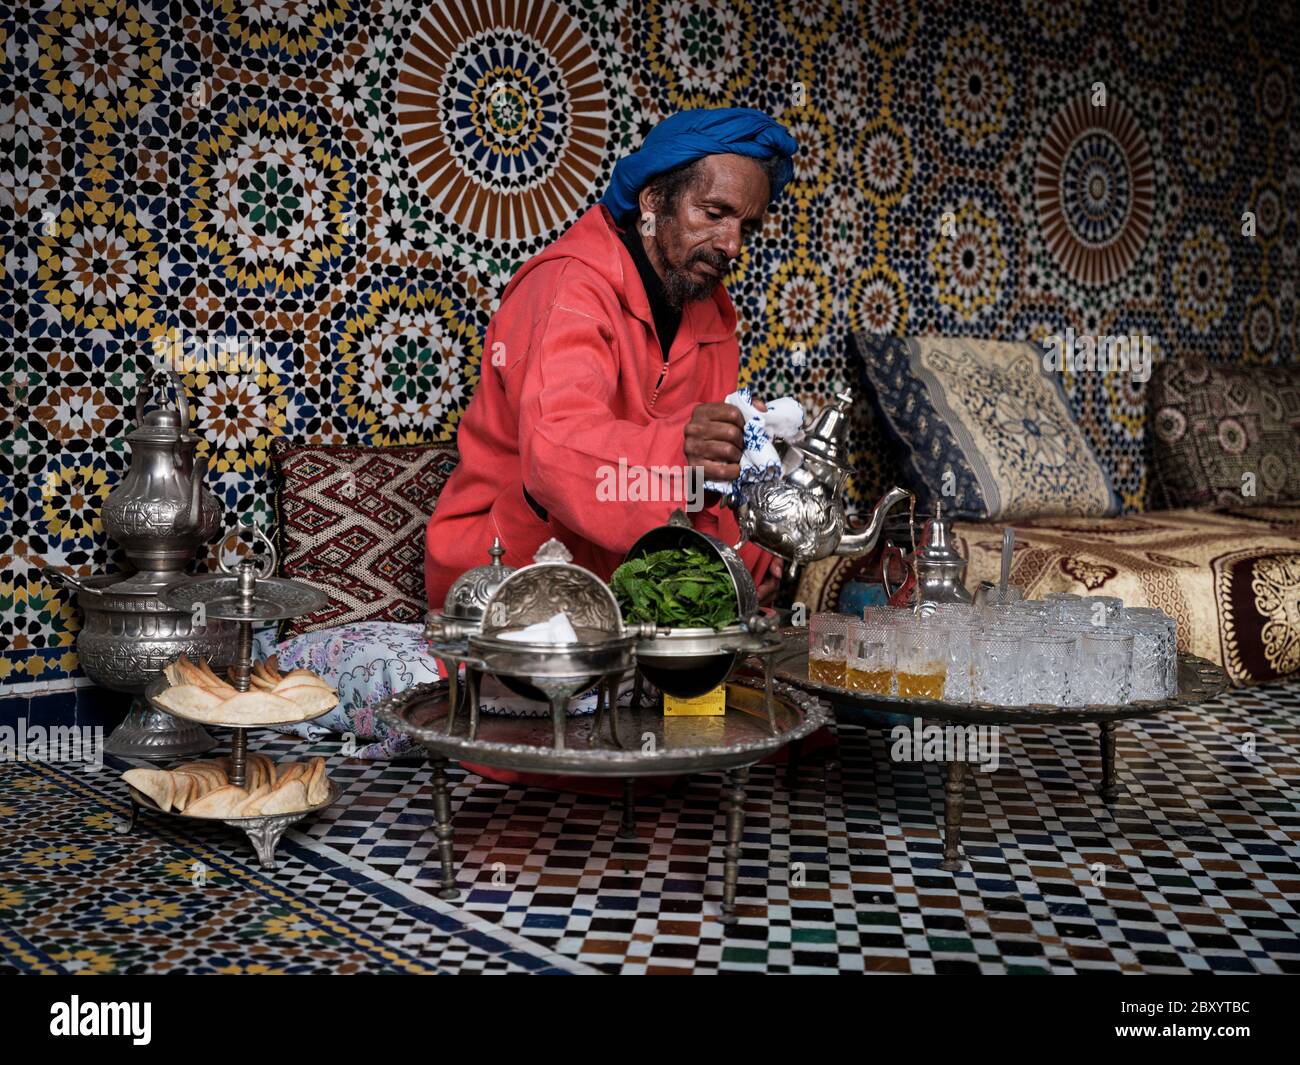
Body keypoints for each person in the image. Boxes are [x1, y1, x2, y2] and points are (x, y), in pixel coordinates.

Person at [425, 107, 800, 611]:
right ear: (652, 200)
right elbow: (555, 453)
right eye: (712, 214)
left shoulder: (710, 318)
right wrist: (680, 451)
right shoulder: (569, 287)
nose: (731, 244)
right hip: (506, 572)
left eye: (745, 227)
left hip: (628, 580)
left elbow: (703, 484)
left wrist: (752, 548)